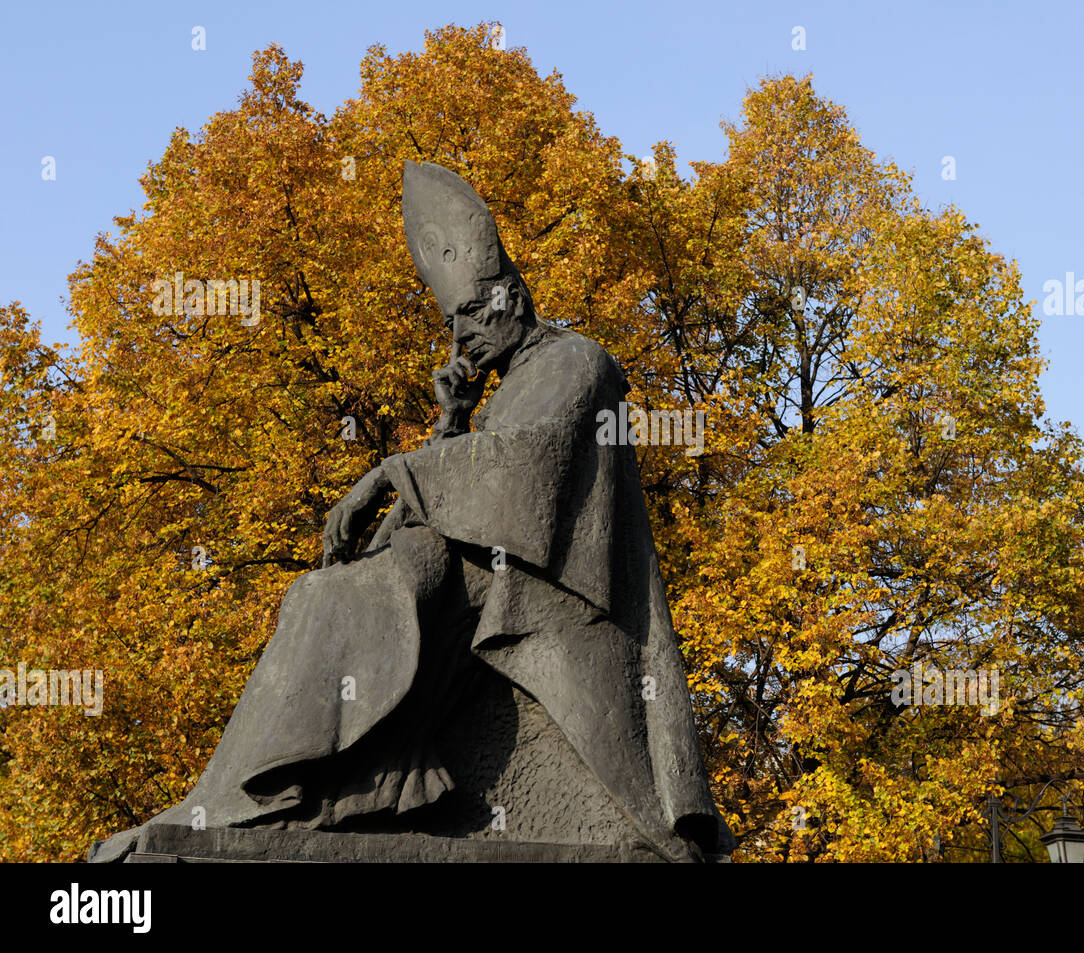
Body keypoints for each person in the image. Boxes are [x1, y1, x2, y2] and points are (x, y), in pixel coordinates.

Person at [89, 161, 734, 863]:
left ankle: (278, 795)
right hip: (486, 576)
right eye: (452, 325)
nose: (460, 342)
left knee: (356, 596)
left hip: (554, 597)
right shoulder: (506, 384)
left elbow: (527, 474)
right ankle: (301, 792)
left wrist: (387, 474)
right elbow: (480, 490)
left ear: (511, 298)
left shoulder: (579, 363)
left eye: (467, 319)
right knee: (326, 593)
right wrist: (452, 424)